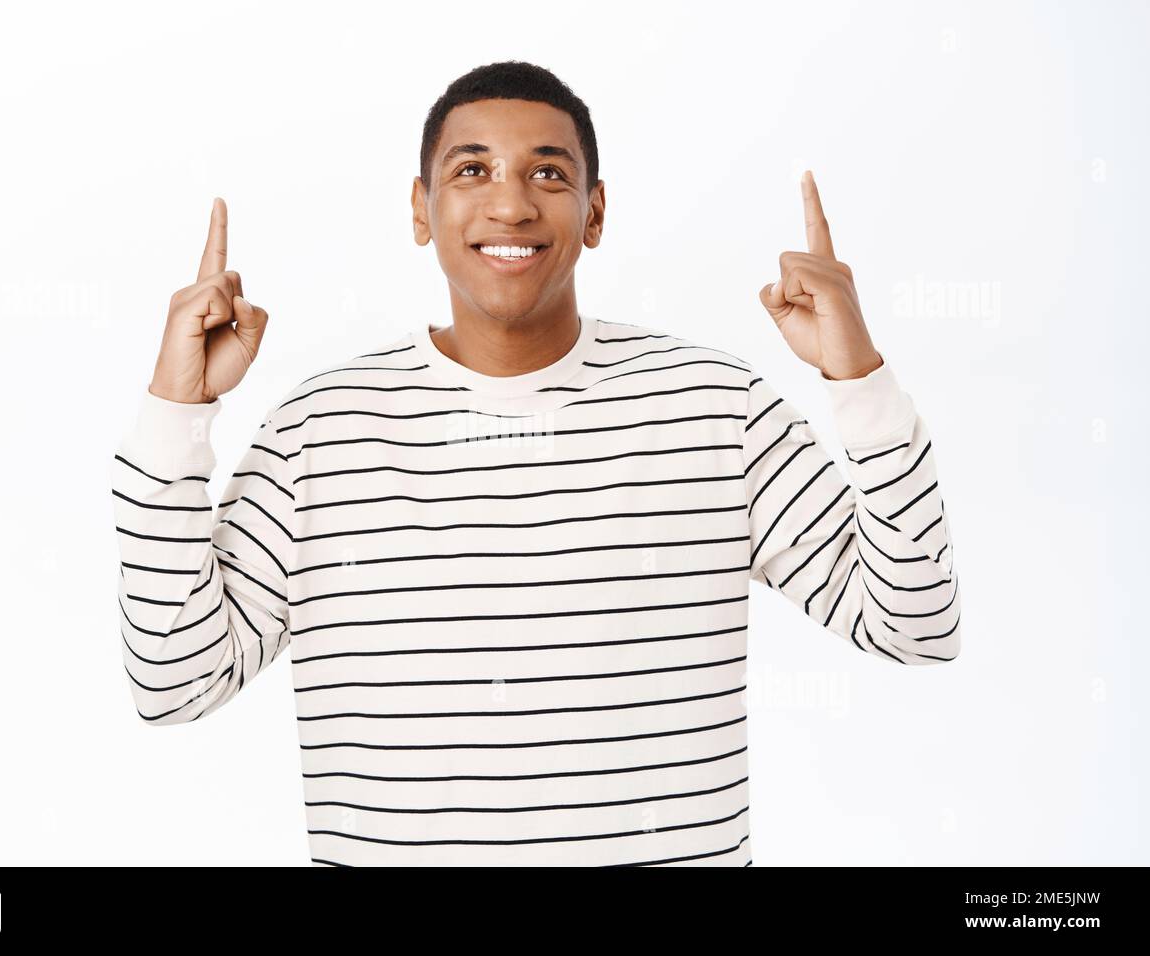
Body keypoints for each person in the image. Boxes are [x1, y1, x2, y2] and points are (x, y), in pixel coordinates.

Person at [111, 60, 961, 866]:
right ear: (421, 209)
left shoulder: (717, 411)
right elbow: (174, 681)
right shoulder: (318, 433)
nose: (510, 205)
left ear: (594, 213)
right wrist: (174, 411)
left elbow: (914, 625)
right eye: (472, 170)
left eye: (548, 174)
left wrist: (859, 377)